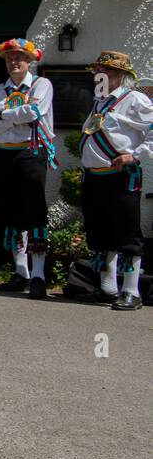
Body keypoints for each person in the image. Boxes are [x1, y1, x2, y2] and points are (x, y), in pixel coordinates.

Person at [0, 38, 55, 299]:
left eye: (19, 57)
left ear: (30, 61)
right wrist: (10, 117)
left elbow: (34, 112)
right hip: (5, 154)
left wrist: (2, 115)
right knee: (10, 213)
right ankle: (21, 272)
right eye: (10, 58)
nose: (14, 62)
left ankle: (38, 276)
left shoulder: (42, 84)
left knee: (34, 211)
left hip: (31, 153)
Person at [78, 51, 152, 311]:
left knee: (127, 233)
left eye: (107, 70)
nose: (101, 74)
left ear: (122, 75)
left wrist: (135, 156)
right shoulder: (99, 101)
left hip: (121, 177)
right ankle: (108, 288)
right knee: (100, 233)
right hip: (95, 178)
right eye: (98, 69)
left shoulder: (135, 99)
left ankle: (131, 292)